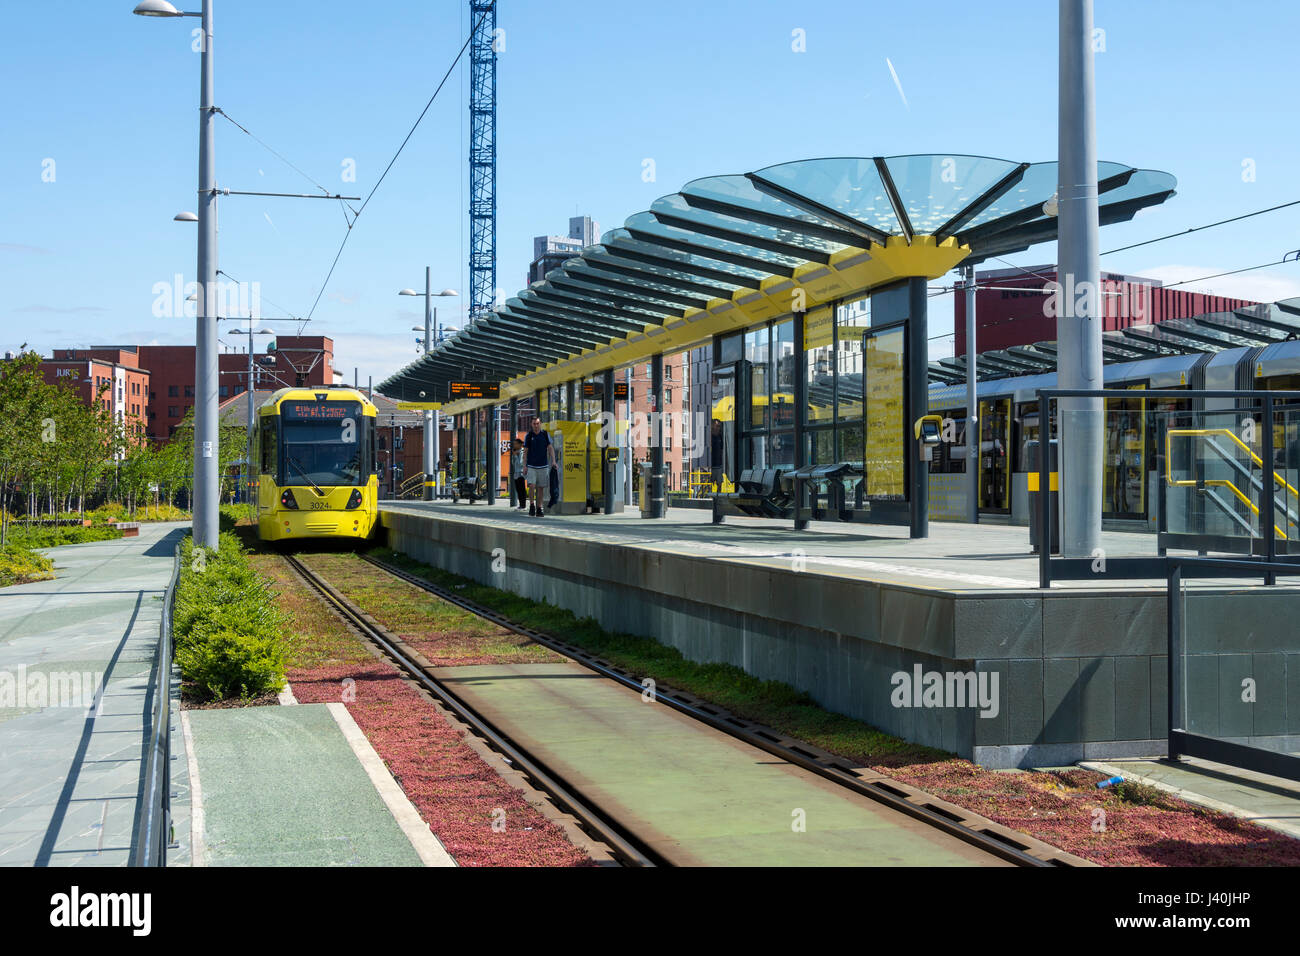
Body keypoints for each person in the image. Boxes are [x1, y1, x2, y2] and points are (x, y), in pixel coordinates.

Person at [523, 417, 555, 517]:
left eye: (537, 423)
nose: (536, 425)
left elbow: (550, 448)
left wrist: (554, 461)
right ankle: (532, 505)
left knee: (541, 487)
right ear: (531, 424)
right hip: (531, 466)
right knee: (532, 486)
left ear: (540, 424)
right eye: (534, 424)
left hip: (543, 465)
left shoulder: (545, 434)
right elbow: (525, 452)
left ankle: (539, 508)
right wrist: (524, 466)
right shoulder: (529, 436)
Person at [510, 437, 527, 510]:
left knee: (522, 489)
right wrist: (514, 455)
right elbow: (513, 463)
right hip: (516, 473)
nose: (514, 445)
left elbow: (521, 463)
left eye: (516, 444)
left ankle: (523, 505)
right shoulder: (515, 452)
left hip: (521, 472)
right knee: (518, 489)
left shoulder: (522, 452)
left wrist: (516, 455)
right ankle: (521, 505)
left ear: (520, 444)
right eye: (514, 444)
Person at [709, 418, 725, 492]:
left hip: (719, 465)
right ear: (712, 426)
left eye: (719, 426)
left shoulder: (720, 437)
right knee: (709, 483)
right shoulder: (709, 436)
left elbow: (722, 449)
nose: (718, 428)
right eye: (717, 426)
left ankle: (718, 497)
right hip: (710, 465)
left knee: (719, 483)